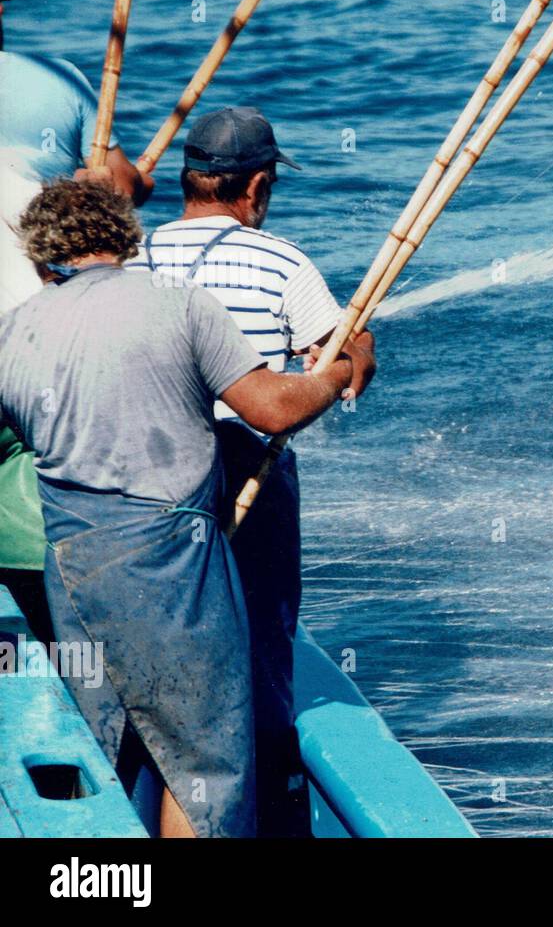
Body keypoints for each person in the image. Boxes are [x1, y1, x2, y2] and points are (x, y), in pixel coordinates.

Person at [0, 179, 375, 837]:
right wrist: (337, 373)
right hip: (175, 571)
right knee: (205, 768)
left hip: (71, 570)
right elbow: (273, 407)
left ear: (40, 257)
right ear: (126, 237)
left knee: (104, 756)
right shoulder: (180, 304)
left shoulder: (14, 330)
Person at [125, 106, 376, 836]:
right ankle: (263, 801)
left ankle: (143, 794)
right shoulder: (281, 261)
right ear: (257, 187)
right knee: (260, 636)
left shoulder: (134, 256)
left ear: (186, 181)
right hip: (246, 471)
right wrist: (356, 349)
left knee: (163, 638)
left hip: (143, 480)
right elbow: (339, 360)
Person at [0, 0, 154, 647]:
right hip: (43, 330)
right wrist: (116, 181)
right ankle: (64, 629)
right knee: (48, 478)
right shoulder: (53, 81)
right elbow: (121, 190)